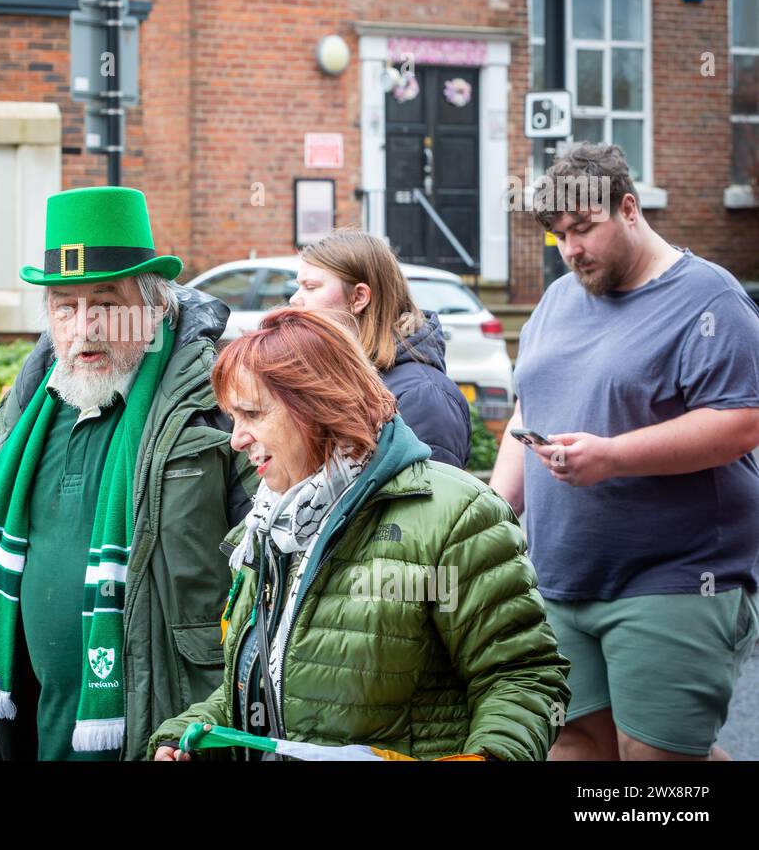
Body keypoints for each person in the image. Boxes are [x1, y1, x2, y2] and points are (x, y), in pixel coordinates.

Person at [150, 308, 569, 761]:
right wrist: (187, 733)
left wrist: (491, 756)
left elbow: (524, 678)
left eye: (251, 414)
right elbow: (265, 684)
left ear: (318, 406)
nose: (236, 439)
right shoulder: (267, 528)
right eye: (233, 418)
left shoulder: (456, 515)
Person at [0, 186, 257, 762]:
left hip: (167, 730)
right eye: (64, 307)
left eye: (105, 303)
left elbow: (268, 578)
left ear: (152, 305)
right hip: (36, 728)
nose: (83, 328)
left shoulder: (219, 404)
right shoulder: (30, 408)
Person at [490, 142, 759, 761]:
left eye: (583, 228)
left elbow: (740, 421)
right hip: (562, 578)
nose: (571, 250)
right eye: (559, 235)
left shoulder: (709, 300)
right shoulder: (558, 300)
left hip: (674, 576)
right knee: (575, 744)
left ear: (630, 208)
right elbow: (529, 409)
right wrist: (496, 507)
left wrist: (612, 456)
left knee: (655, 757)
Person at [290, 229, 471, 467]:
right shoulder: (338, 379)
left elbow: (430, 499)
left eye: (310, 287)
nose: (294, 299)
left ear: (359, 298)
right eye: (298, 286)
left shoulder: (422, 396)